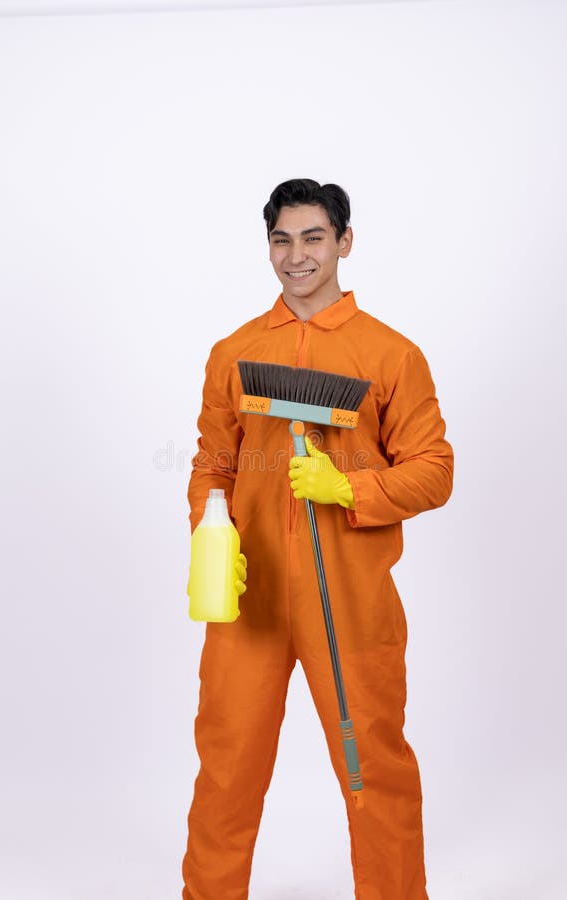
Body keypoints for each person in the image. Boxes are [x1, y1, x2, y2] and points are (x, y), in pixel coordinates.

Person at [182, 178, 453, 900]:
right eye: (281, 239)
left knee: (374, 773)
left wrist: (351, 489)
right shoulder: (235, 352)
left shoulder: (391, 356)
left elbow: (434, 470)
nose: (295, 255)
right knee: (227, 769)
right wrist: (210, 535)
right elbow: (213, 464)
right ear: (268, 247)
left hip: (351, 603)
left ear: (344, 242)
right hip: (249, 598)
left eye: (312, 238)